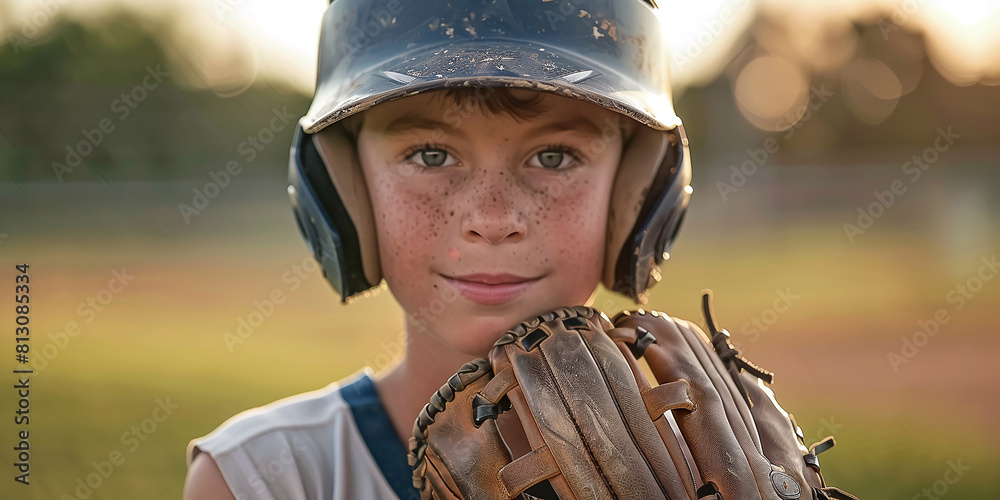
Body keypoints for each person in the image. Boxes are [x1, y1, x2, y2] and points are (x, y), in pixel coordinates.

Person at [183, 0, 691, 498]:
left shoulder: (710, 474)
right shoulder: (264, 478)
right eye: (431, 155)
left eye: (554, 157)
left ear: (638, 197)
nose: (492, 221)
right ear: (344, 194)